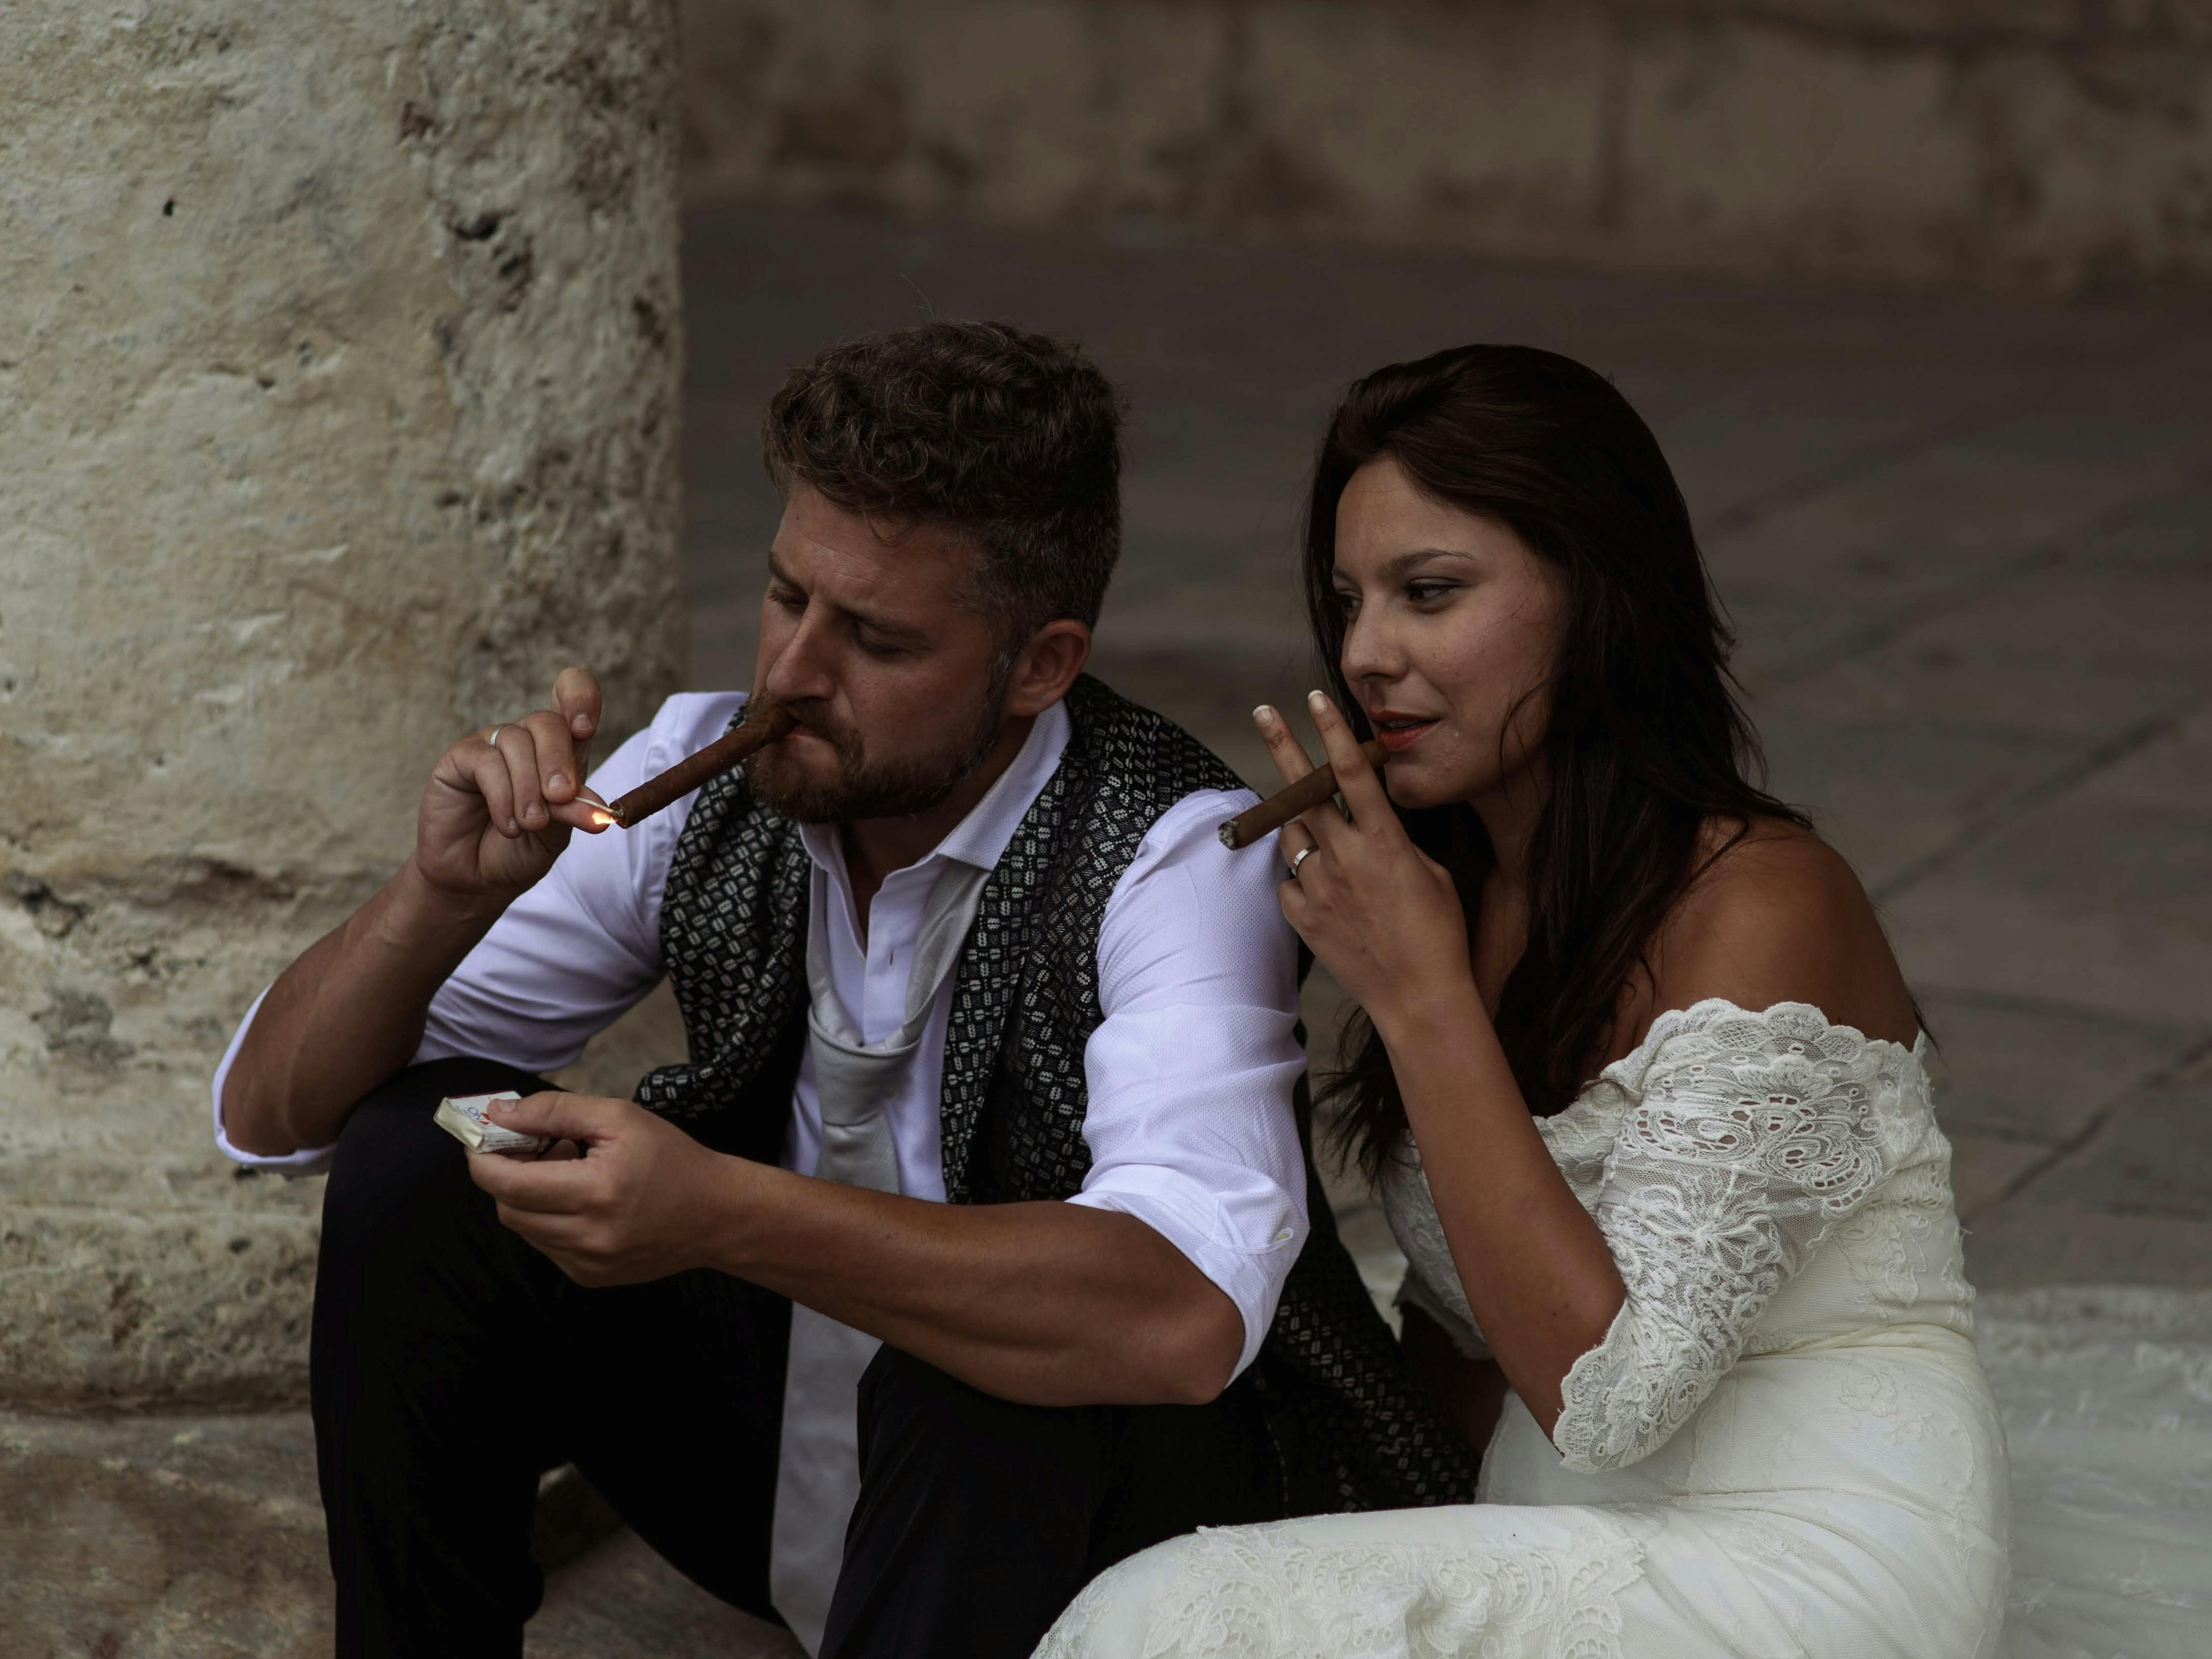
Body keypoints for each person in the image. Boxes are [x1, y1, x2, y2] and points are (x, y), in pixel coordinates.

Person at [212, 321, 1476, 1659]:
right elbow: (274, 1115)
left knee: (988, 1367)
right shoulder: (701, 770)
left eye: (873, 638)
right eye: (783, 596)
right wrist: (437, 902)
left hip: (1142, 1518)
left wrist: (717, 1213)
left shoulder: (1170, 854)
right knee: (419, 1164)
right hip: (792, 1483)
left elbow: (1177, 1315)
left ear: (1039, 667)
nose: (793, 674)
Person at [1036, 345, 2012, 1658]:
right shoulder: (1463, 887)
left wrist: (1422, 998)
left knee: (1166, 1620)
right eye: (1349, 601)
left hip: (1805, 1563)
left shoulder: (1765, 907)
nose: (1368, 655)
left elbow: (1611, 1401)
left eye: (1430, 594)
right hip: (1557, 1529)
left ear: (1596, 596)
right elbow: (1458, 1329)